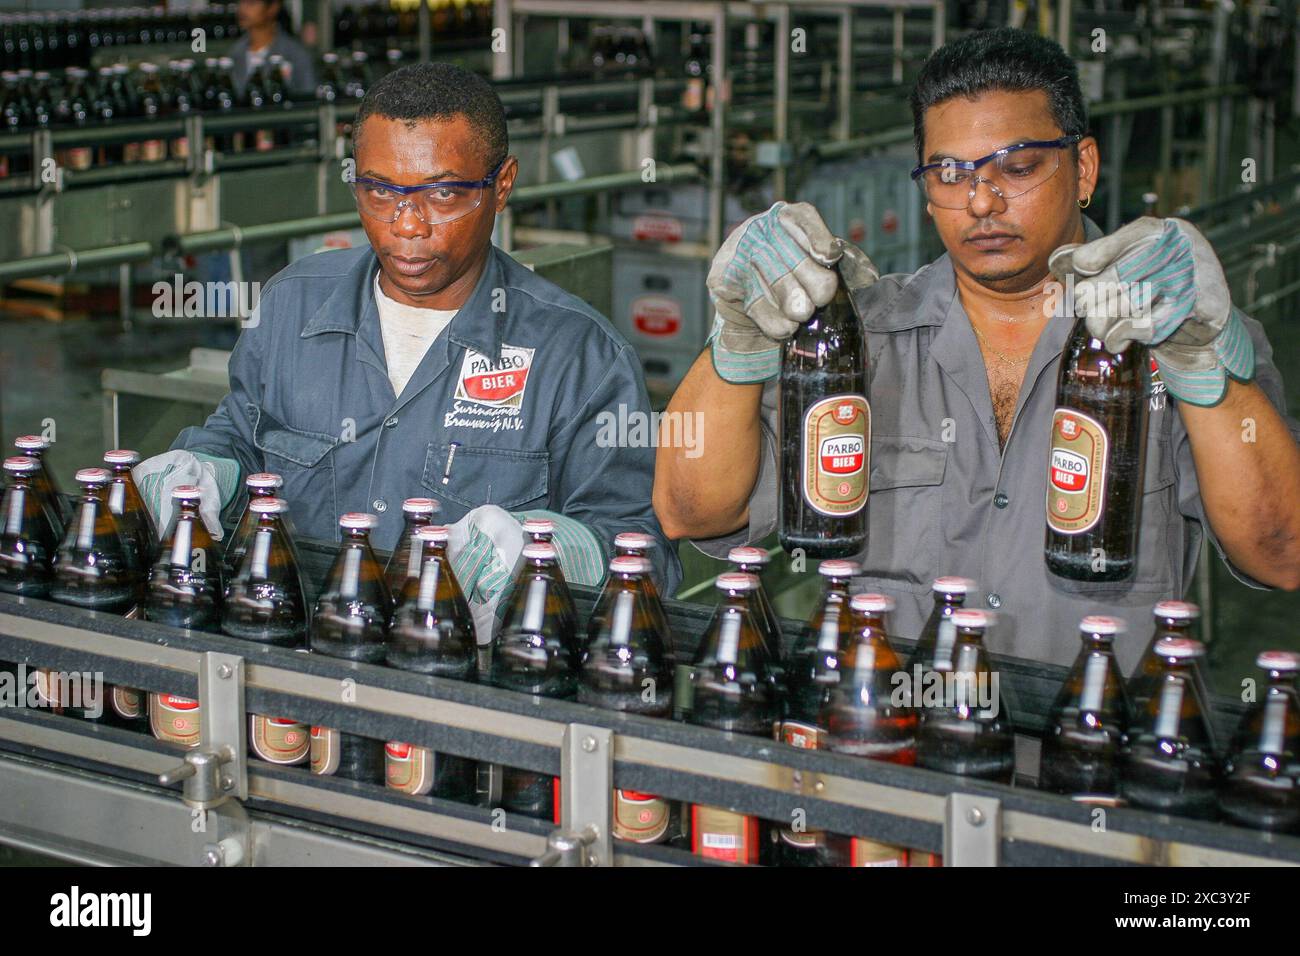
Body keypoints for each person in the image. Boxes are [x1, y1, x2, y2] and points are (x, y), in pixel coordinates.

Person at [653, 28, 1300, 672]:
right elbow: (691, 513)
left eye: (1017, 168)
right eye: (950, 173)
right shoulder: (860, 339)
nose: (982, 200)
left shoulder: (1177, 342)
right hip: (887, 741)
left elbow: (1282, 553)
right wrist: (736, 344)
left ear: (1085, 169)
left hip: (1086, 744)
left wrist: (1207, 366)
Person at [136, 62, 680, 602]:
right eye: (378, 191)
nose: (407, 224)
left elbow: (645, 551)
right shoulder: (291, 305)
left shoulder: (580, 356)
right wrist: (206, 470)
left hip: (466, 678)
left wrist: (550, 552)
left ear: (503, 184)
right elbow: (243, 438)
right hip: (296, 653)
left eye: (442, 195)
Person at [228, 0, 317, 99]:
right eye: (241, 2)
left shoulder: (295, 54)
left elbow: (309, 100)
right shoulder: (234, 52)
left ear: (273, 7)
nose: (242, 9)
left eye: (251, 3)